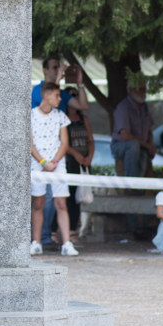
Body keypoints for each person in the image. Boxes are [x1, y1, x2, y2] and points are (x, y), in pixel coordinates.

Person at [30, 81, 78, 256]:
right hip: (37, 164)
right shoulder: (30, 115)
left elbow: (64, 143)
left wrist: (54, 162)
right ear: (46, 95)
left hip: (57, 164)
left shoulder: (60, 116)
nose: (60, 99)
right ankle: (36, 242)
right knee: (38, 203)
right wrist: (43, 162)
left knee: (61, 203)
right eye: (57, 96)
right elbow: (30, 143)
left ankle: (66, 243)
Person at [110, 82, 155, 178]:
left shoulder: (144, 107)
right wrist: (147, 145)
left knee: (140, 150)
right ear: (130, 90)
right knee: (134, 145)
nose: (143, 92)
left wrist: (151, 145)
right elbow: (126, 136)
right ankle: (130, 183)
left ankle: (140, 187)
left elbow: (149, 131)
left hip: (141, 146)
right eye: (140, 89)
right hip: (120, 145)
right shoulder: (123, 107)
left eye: (144, 88)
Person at [65, 97, 95, 238]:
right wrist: (75, 154)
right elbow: (62, 142)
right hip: (69, 162)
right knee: (69, 198)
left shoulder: (84, 119)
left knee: (79, 198)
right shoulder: (63, 118)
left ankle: (74, 231)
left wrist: (90, 156)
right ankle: (69, 232)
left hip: (84, 163)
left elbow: (90, 140)